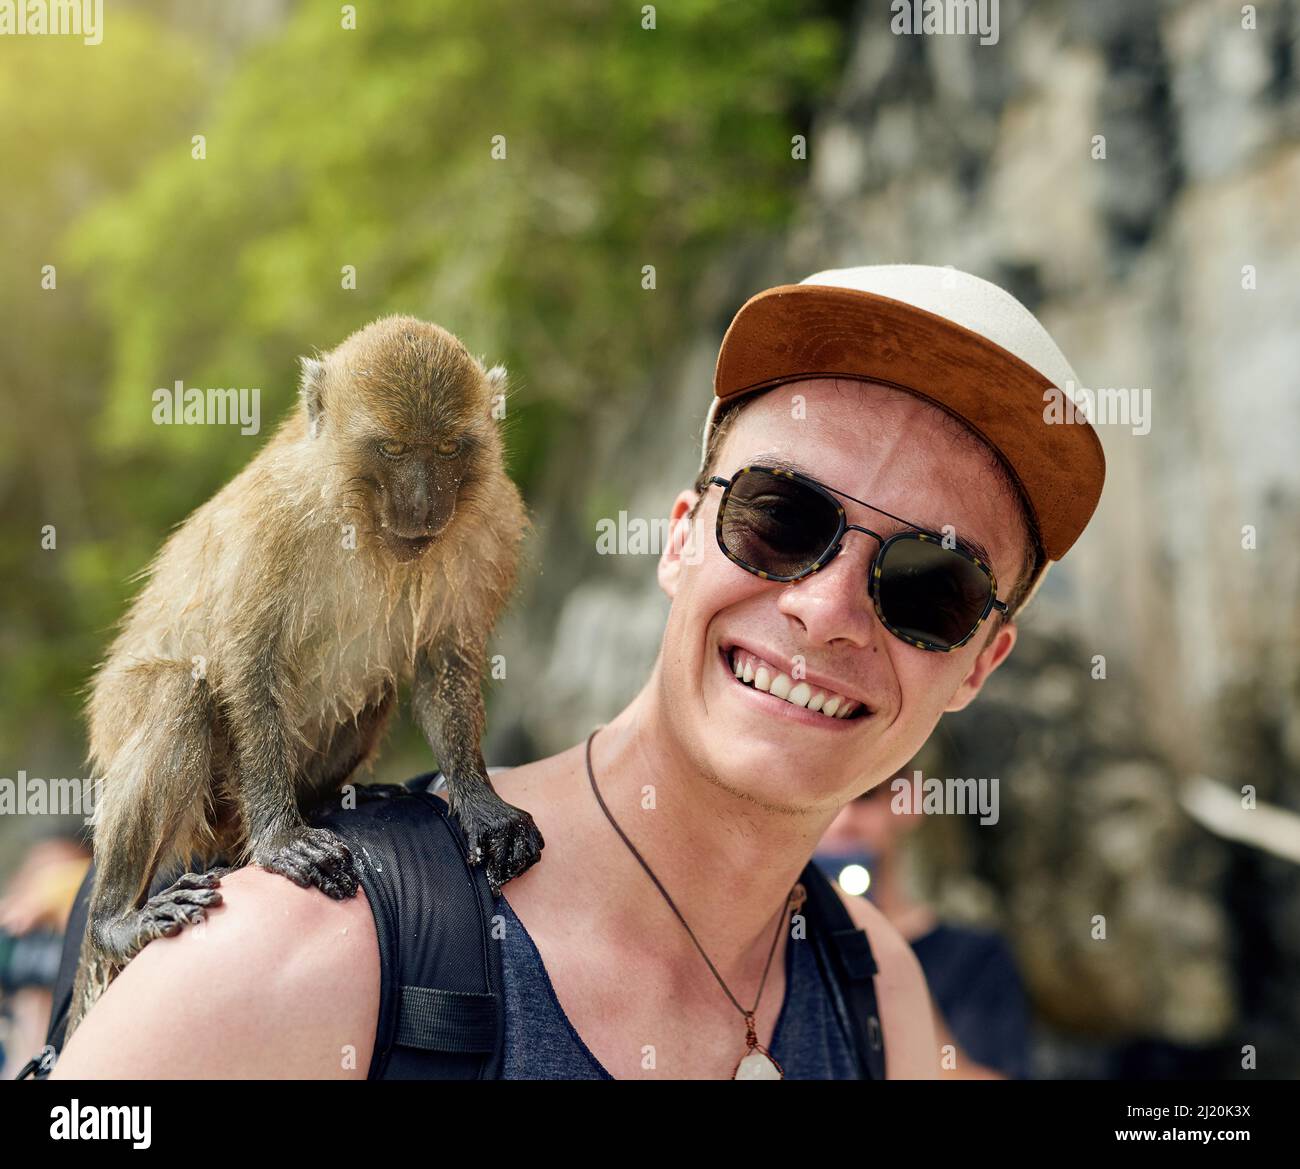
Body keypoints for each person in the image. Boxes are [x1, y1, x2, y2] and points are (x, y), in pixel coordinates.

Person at [49, 264, 1104, 1080]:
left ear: (980, 661)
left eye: (931, 585)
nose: (825, 609)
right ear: (682, 536)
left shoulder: (879, 999)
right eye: (780, 518)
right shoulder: (300, 958)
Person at [818, 784, 1033, 1079]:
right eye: (826, 803)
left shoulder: (972, 954)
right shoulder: (780, 949)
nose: (844, 821)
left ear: (907, 803)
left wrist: (888, 964)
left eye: (866, 797)